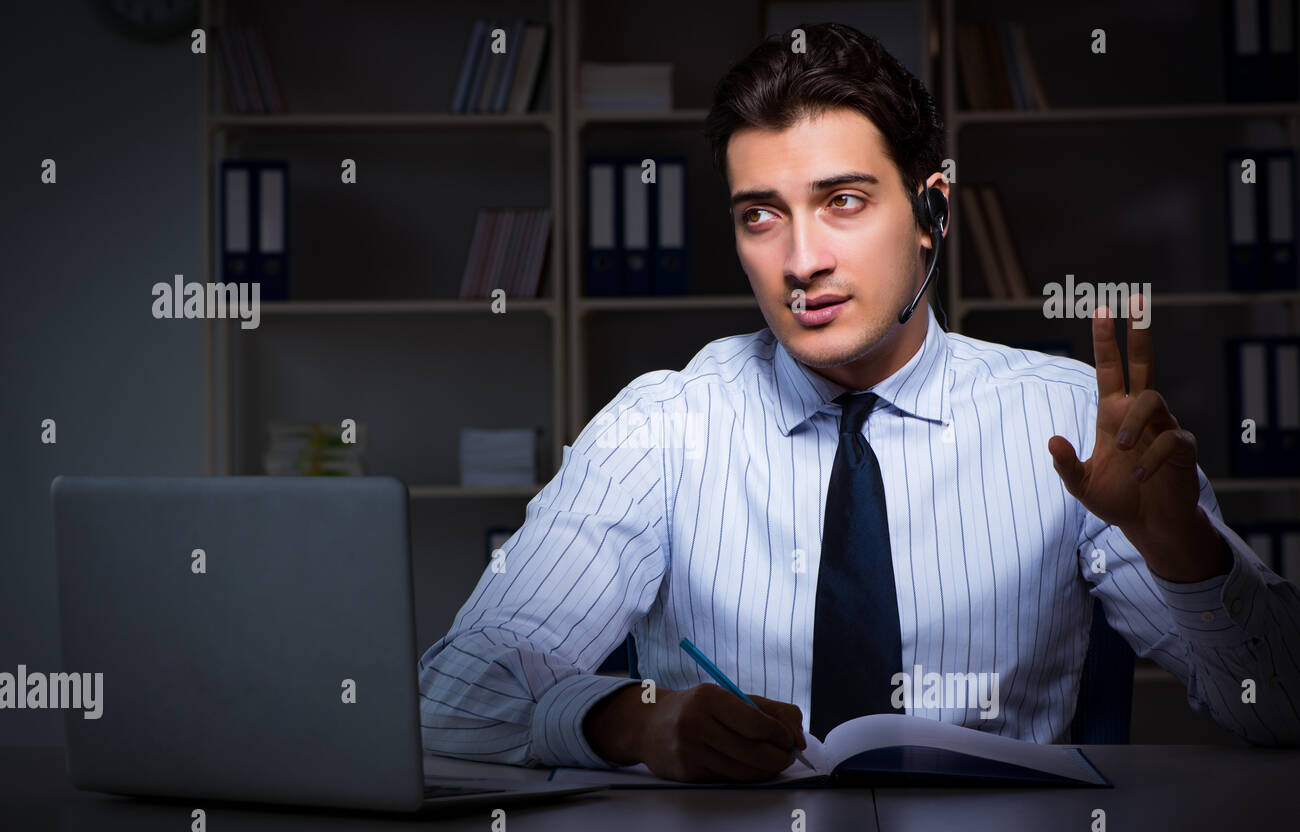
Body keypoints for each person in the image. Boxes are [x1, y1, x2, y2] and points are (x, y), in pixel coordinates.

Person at [418, 22, 1300, 782]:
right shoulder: (662, 426)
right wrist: (632, 719)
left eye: (843, 201)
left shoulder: (1069, 417)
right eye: (760, 215)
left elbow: (1280, 710)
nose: (802, 260)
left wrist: (1182, 548)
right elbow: (446, 701)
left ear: (931, 212)